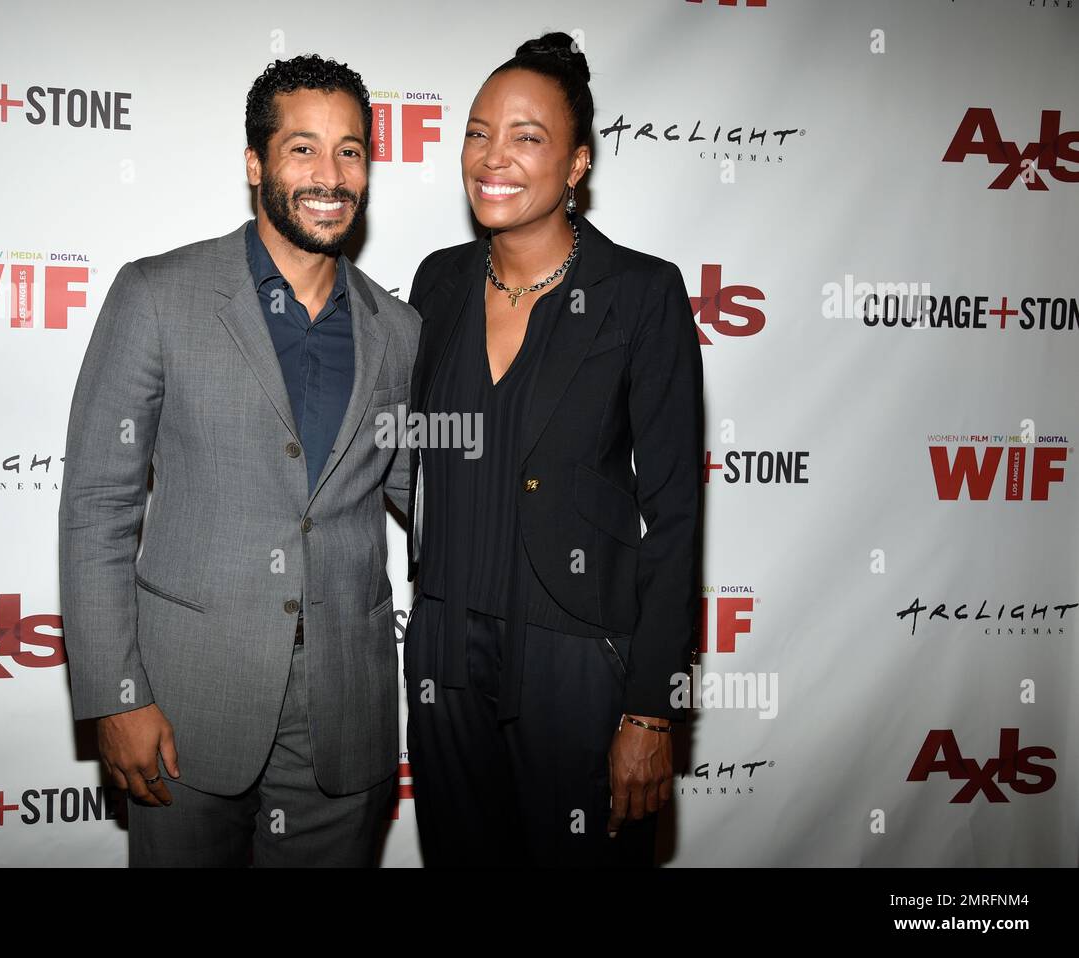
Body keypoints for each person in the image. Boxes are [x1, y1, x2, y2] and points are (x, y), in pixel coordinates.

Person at [58, 54, 420, 867]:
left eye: (351, 151)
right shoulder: (158, 295)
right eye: (303, 149)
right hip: (187, 707)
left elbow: (425, 496)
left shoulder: (399, 331)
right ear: (256, 163)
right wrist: (118, 696)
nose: (331, 175)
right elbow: (96, 506)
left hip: (345, 712)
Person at [403, 32, 705, 866]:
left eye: (527, 137)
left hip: (578, 658)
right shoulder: (438, 283)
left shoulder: (642, 293)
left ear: (577, 165)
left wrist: (651, 711)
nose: (493, 157)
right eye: (477, 132)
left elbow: (675, 515)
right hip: (442, 648)